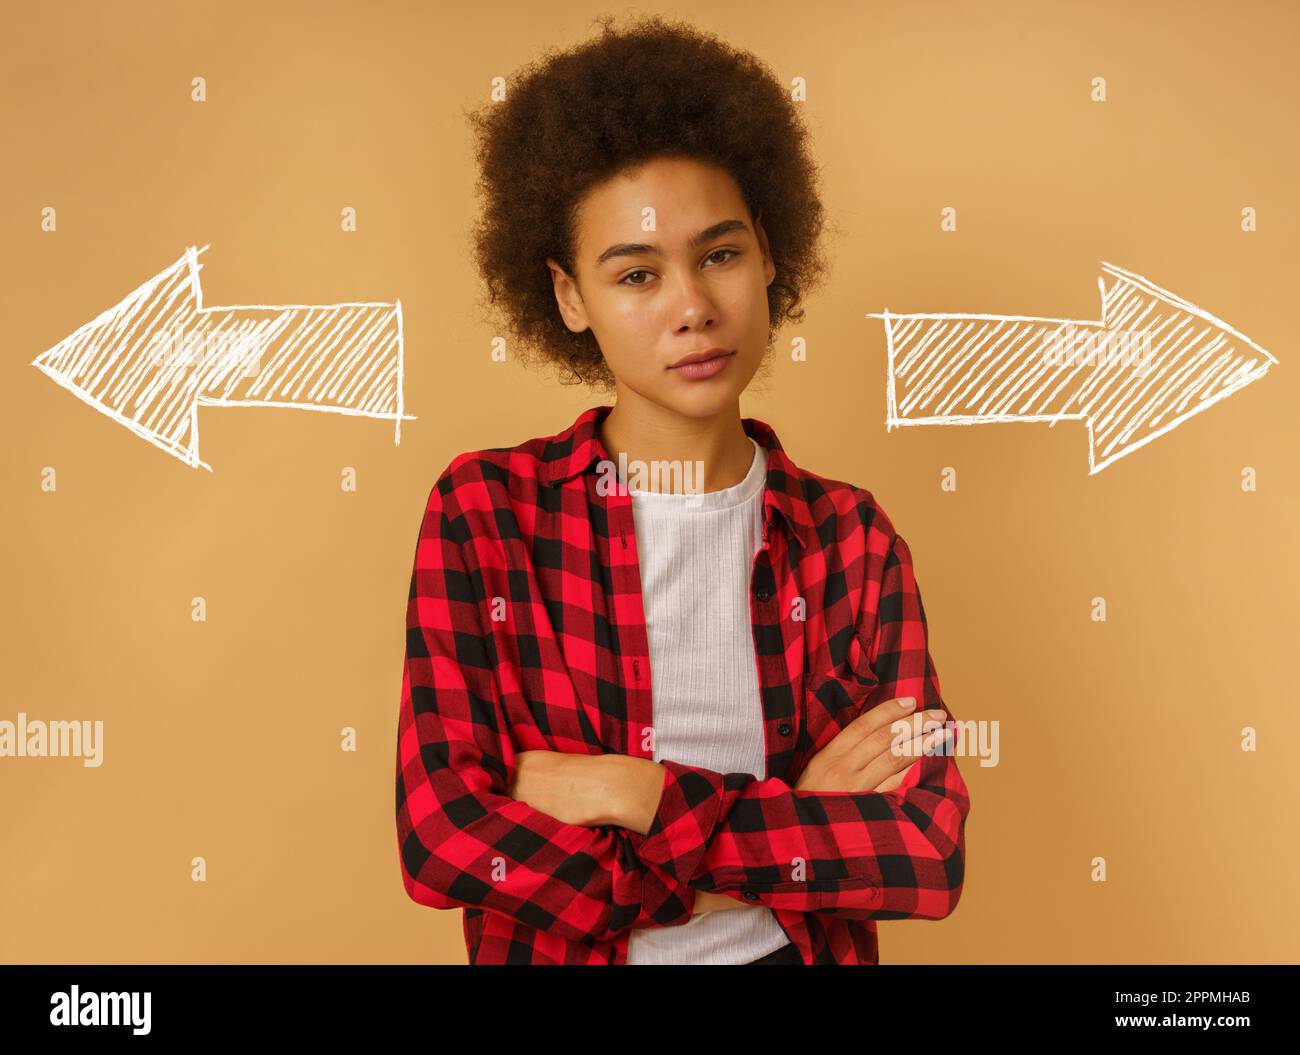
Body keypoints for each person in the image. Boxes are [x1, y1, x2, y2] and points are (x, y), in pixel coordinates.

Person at [395, 13, 969, 965]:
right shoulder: (486, 514)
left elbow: (924, 850)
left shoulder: (852, 538)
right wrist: (800, 818)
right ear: (571, 296)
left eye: (720, 254)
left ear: (772, 253)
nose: (693, 307)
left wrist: (638, 792)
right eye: (635, 273)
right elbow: (443, 834)